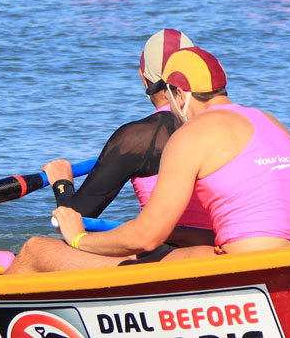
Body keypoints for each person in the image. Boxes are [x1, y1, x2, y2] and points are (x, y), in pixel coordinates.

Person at [6, 46, 290, 274]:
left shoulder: (192, 134)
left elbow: (144, 237)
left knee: (35, 250)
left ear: (180, 94)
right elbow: (260, 229)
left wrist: (78, 239)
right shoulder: (273, 123)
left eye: (169, 98)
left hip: (238, 268)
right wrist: (176, 232)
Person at [61, 30, 214, 248]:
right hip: (223, 245)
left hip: (166, 254)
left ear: (143, 77)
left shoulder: (135, 140)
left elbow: (71, 221)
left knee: (36, 248)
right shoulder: (228, 124)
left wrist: (62, 181)